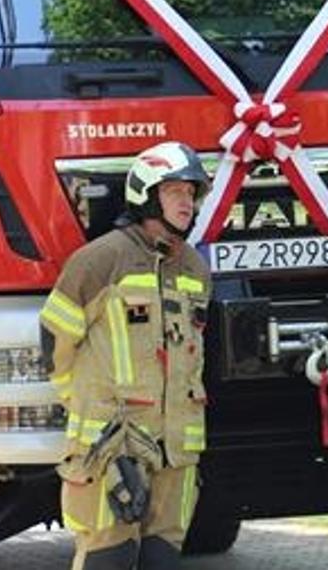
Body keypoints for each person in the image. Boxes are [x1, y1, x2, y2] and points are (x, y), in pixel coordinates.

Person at [38, 141, 212, 570]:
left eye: (191, 193)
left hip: (176, 449)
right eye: (174, 191)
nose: (186, 202)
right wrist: (80, 399)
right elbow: (55, 340)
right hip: (112, 447)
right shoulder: (101, 260)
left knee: (163, 559)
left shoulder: (194, 267)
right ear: (147, 195)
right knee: (108, 558)